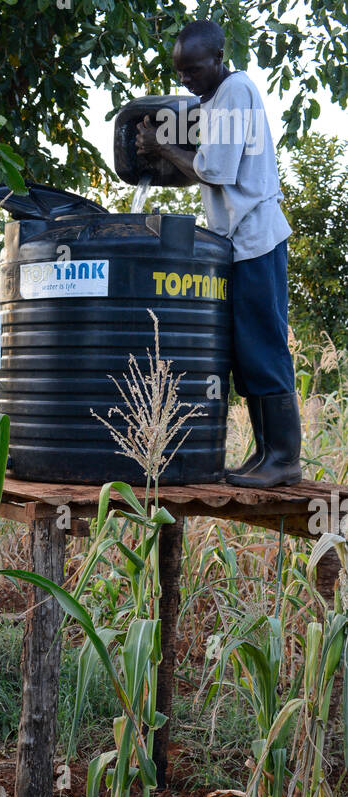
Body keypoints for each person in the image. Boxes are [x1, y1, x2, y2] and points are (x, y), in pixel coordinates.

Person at [136, 18, 299, 488]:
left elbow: (212, 171)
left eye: (193, 68)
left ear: (217, 58)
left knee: (263, 346)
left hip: (256, 240)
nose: (185, 78)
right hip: (240, 242)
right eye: (180, 71)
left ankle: (285, 458)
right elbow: (208, 168)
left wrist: (163, 146)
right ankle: (268, 453)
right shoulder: (216, 101)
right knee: (247, 352)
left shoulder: (234, 92)